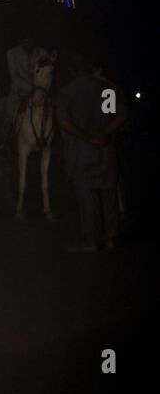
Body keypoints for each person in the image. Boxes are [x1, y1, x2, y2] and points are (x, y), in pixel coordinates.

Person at [57, 55, 127, 252]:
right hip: (105, 149)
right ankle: (111, 237)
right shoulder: (106, 89)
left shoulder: (67, 92)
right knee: (109, 195)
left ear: (72, 71)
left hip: (81, 152)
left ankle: (91, 240)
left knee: (87, 197)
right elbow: (118, 116)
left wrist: (87, 137)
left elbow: (65, 123)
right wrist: (104, 133)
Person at [4, 36, 47, 132]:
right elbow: (14, 76)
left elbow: (45, 72)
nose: (27, 43)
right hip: (19, 91)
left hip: (40, 89)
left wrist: (39, 87)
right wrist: (29, 88)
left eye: (29, 40)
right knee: (9, 111)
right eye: (24, 40)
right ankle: (8, 134)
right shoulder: (12, 53)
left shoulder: (42, 52)